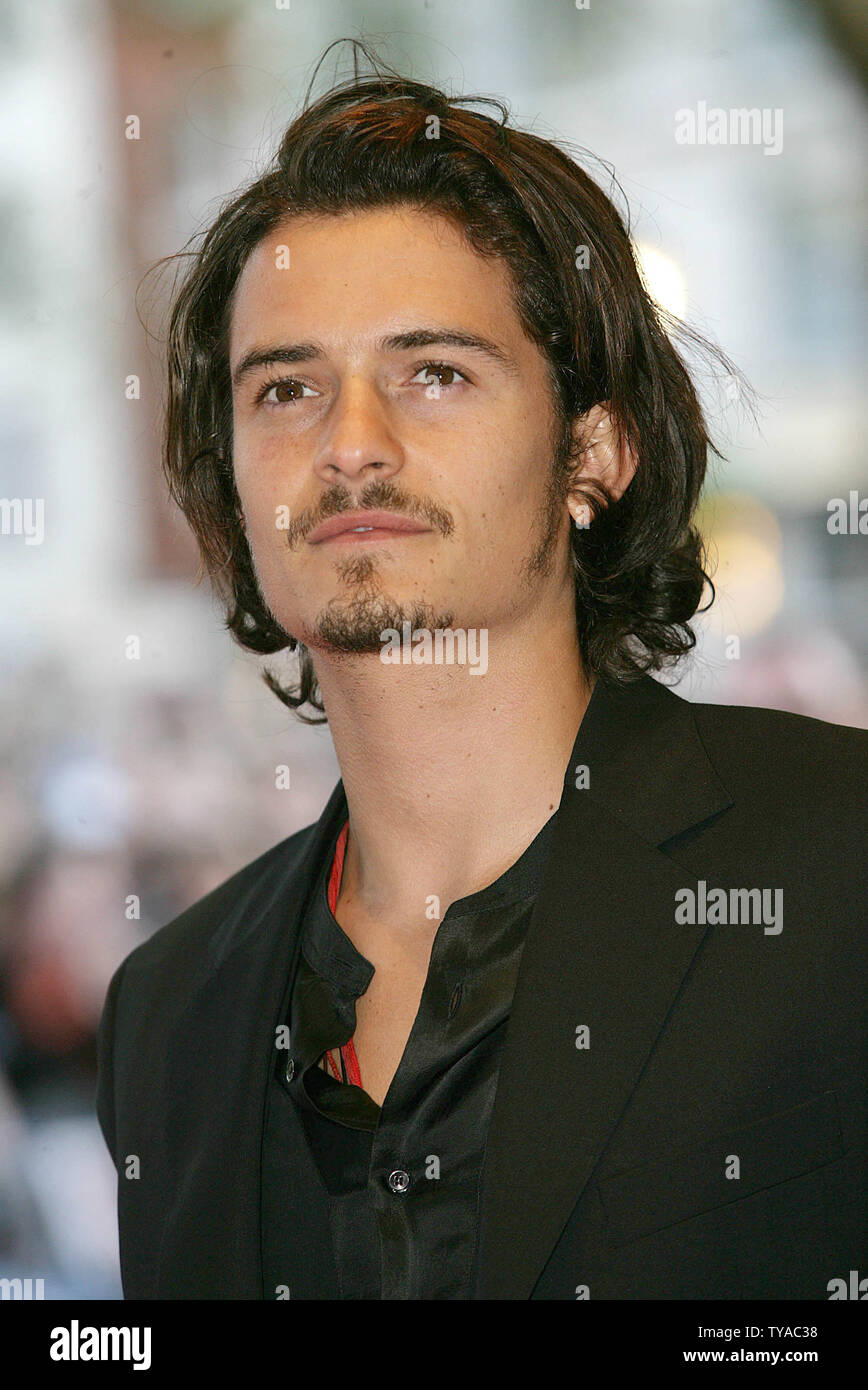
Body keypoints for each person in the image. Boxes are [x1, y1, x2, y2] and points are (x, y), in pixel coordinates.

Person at [96, 52, 867, 1300]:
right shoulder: (169, 1012)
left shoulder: (834, 857)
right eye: (285, 388)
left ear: (593, 450)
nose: (350, 443)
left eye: (433, 373)